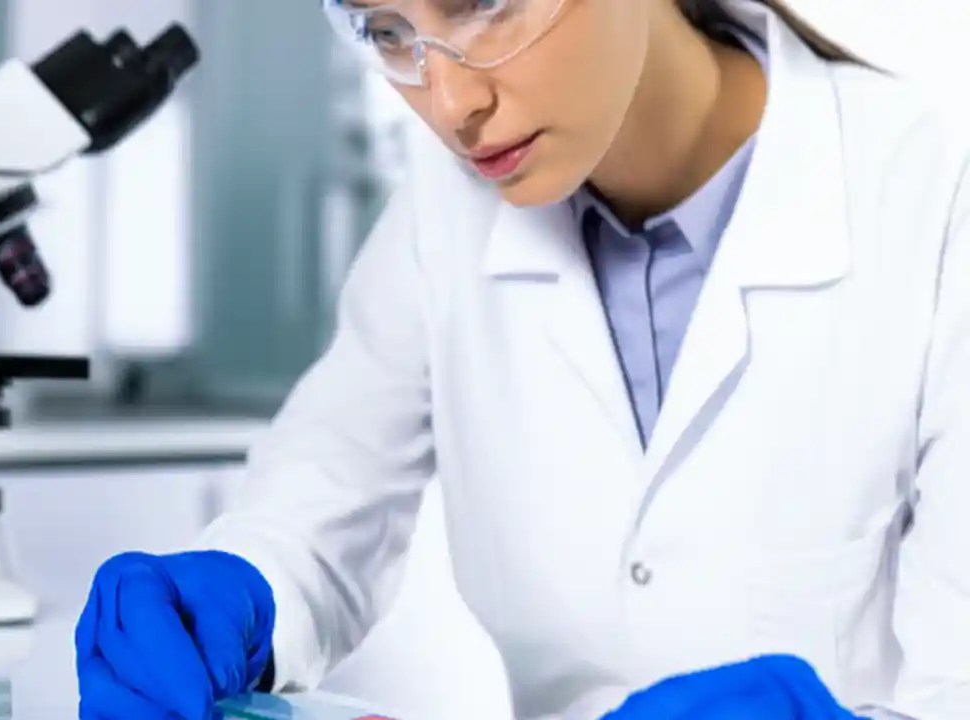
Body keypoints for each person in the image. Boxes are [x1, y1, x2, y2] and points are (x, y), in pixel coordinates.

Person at [74, 0, 970, 718]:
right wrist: (239, 591)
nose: (452, 106)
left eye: (481, 6)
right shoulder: (443, 208)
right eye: (391, 33)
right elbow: (324, 499)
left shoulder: (932, 194)